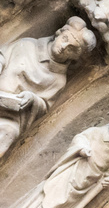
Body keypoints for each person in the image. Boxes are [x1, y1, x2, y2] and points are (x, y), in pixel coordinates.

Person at [0, 18, 96, 158]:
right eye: (64, 39)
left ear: (75, 56)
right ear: (58, 34)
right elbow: (3, 54)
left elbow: (44, 105)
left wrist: (32, 99)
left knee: (7, 132)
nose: (63, 47)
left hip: (9, 115)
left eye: (71, 48)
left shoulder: (58, 80)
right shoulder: (27, 45)